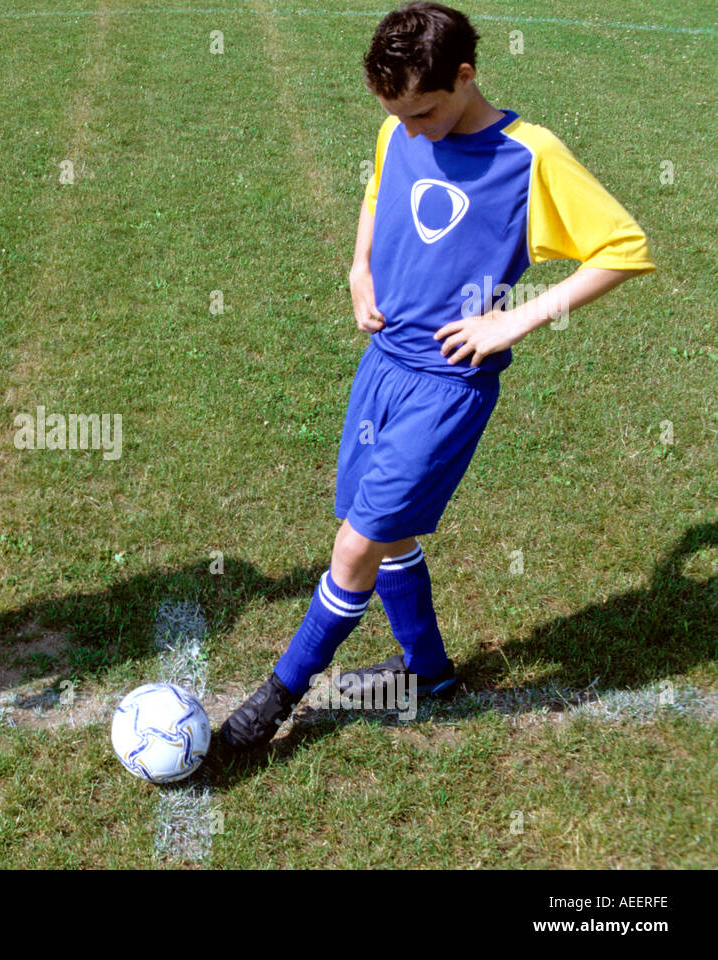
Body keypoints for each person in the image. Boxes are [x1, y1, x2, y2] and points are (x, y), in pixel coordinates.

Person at [220, 2, 655, 749]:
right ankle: (427, 670)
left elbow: (624, 247)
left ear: (465, 75)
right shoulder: (399, 128)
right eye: (399, 115)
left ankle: (276, 697)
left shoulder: (529, 155)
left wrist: (511, 319)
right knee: (380, 530)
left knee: (357, 545)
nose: (412, 128)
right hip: (382, 368)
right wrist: (359, 266)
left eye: (425, 111)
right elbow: (378, 191)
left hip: (448, 388)